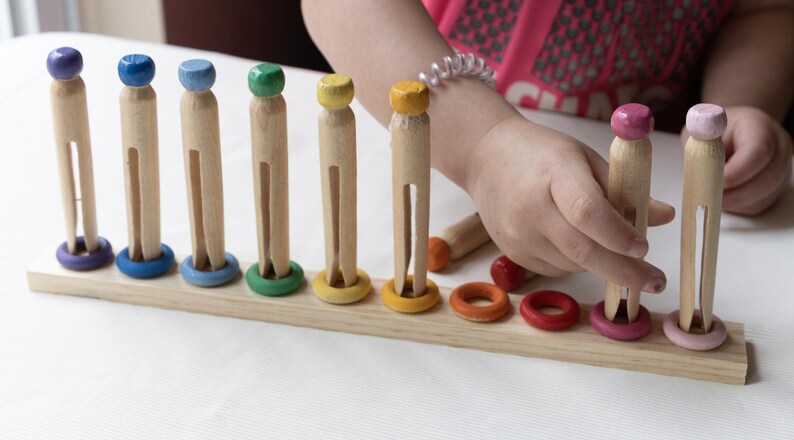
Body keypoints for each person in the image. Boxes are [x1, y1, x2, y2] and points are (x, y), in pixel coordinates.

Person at [301, 0, 794, 294]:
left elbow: (763, 12)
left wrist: (739, 104)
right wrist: (482, 146)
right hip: (435, 135)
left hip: (647, 159)